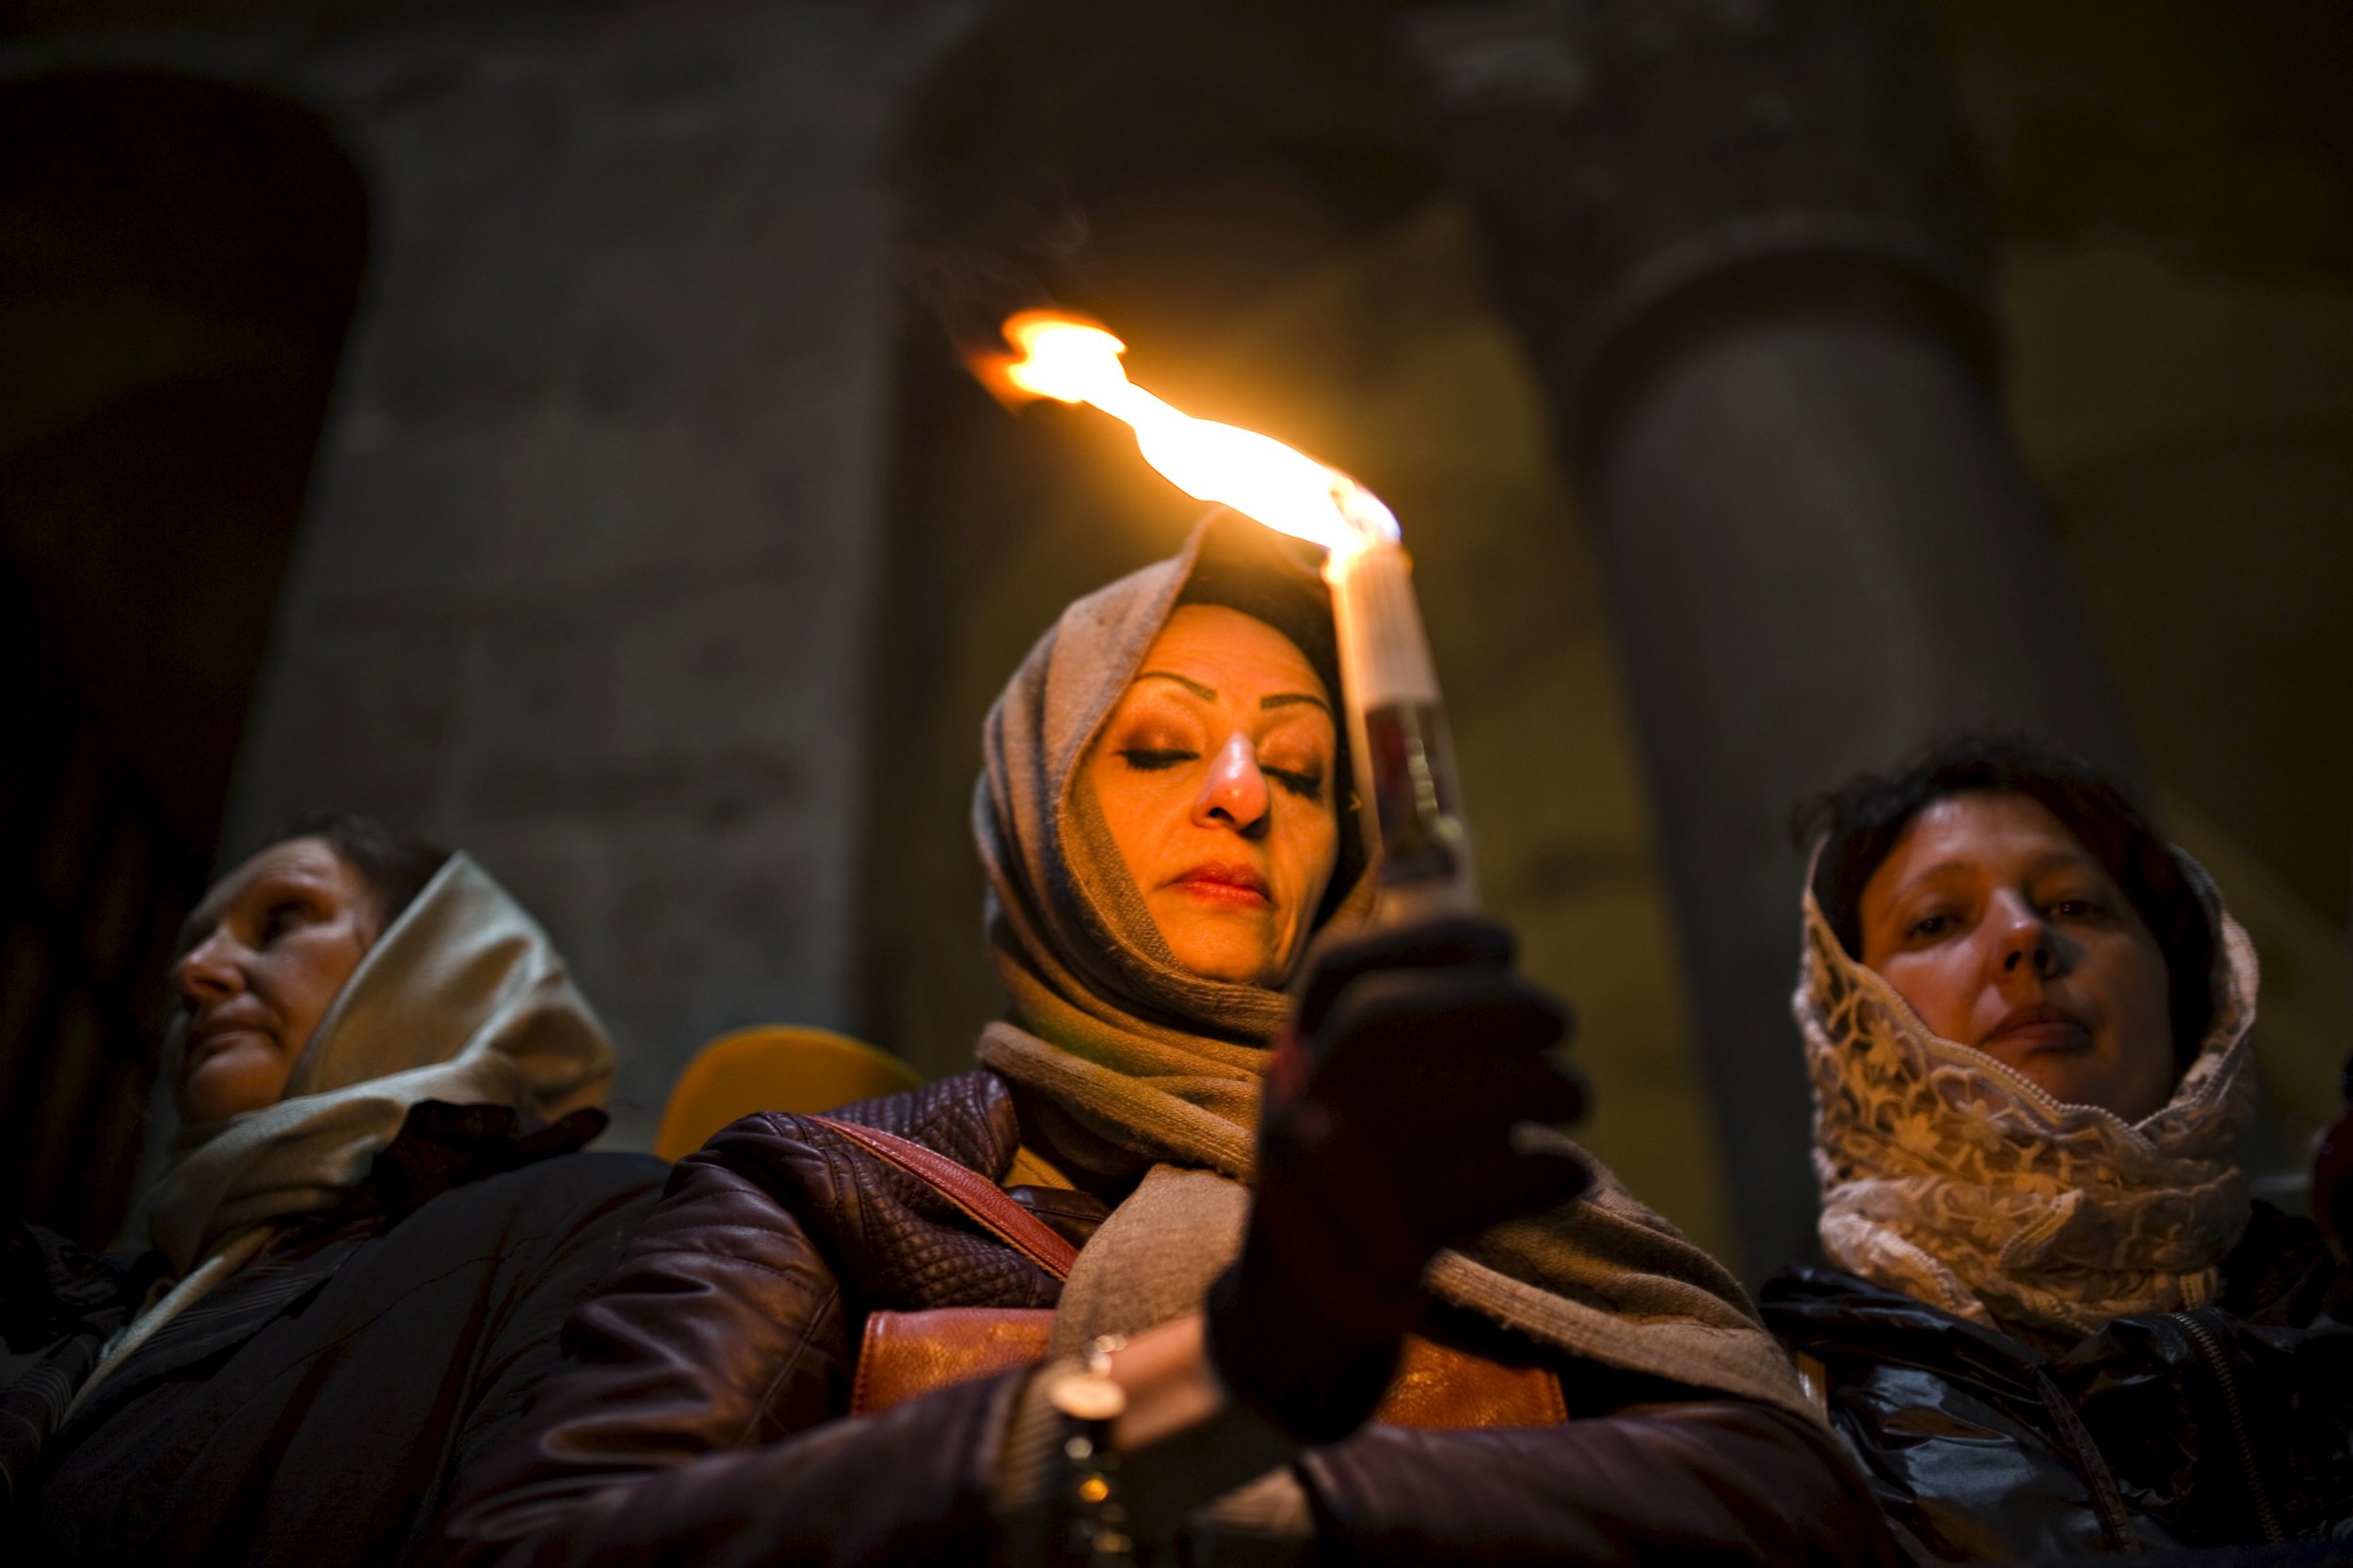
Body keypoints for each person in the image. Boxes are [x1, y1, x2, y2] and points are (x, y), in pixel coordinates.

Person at [433, 513, 1895, 1566]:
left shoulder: (1466, 1181)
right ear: (1041, 817)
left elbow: (1781, 1484)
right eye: (1156, 745)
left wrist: (1270, 1503)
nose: (1246, 793)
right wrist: (1182, 1407)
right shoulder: (845, 1183)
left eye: (1308, 767)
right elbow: (549, 1536)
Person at [0, 814, 667, 1567]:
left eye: (281, 920)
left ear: (442, 966)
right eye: (193, 943)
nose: (193, 973)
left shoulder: (591, 1220)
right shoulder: (106, 1301)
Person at [1761, 737, 2353, 1561]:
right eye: (1936, 921)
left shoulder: (2340, 1291)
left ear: (2185, 987)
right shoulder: (1788, 1414)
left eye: (2077, 904)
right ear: (1851, 1033)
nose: (2024, 936)